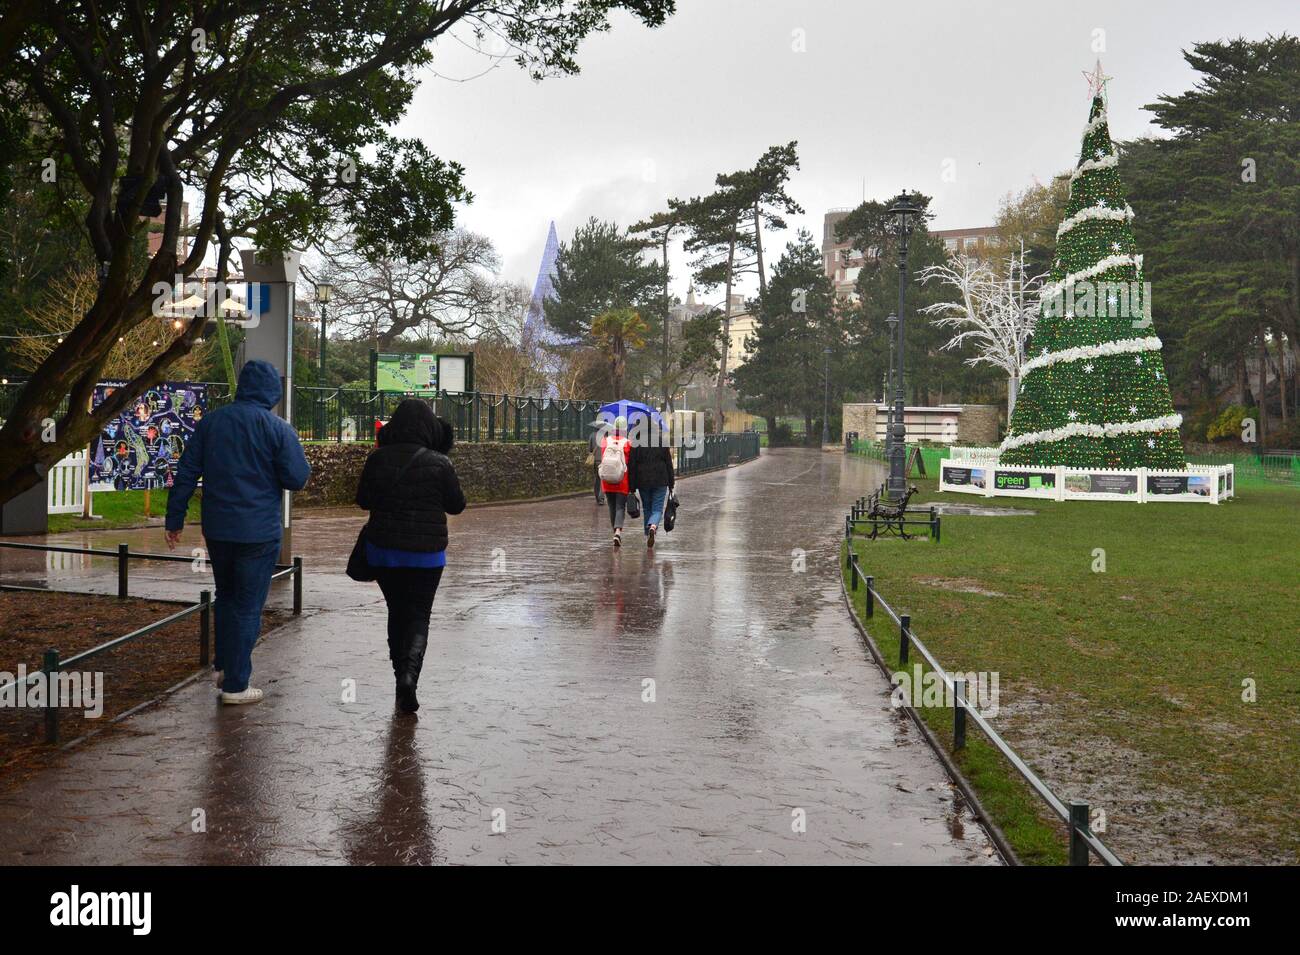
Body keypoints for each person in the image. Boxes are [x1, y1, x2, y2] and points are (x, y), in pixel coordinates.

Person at [165, 359, 311, 705]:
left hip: (218, 529)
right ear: (272, 391)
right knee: (247, 605)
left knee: (226, 597)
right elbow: (297, 478)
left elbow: (185, 473)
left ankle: (223, 665)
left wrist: (175, 520)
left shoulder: (211, 424)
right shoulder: (278, 429)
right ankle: (236, 685)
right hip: (259, 532)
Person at [355, 399, 465, 714]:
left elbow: (363, 500)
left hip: (384, 552)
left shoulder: (377, 459)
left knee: (396, 611)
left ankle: (398, 677)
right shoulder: (440, 463)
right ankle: (409, 679)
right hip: (426, 557)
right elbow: (456, 505)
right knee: (418, 616)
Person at [629, 422, 675, 549]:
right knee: (657, 509)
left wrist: (631, 486)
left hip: (642, 480)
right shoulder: (662, 442)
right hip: (661, 480)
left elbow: (631, 466)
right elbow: (668, 464)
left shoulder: (636, 443)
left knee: (647, 508)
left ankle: (647, 533)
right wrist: (671, 483)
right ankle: (653, 526)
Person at [597, 415, 632, 547]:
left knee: (612, 507)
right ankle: (618, 531)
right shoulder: (628, 443)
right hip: (622, 480)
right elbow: (629, 462)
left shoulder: (605, 441)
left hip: (606, 480)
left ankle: (615, 532)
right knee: (620, 507)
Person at [588, 422, 606, 505]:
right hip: (603, 460)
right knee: (602, 479)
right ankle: (601, 498)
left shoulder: (592, 435)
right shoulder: (605, 436)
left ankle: (596, 496)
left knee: (597, 479)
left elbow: (590, 449)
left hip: (596, 460)